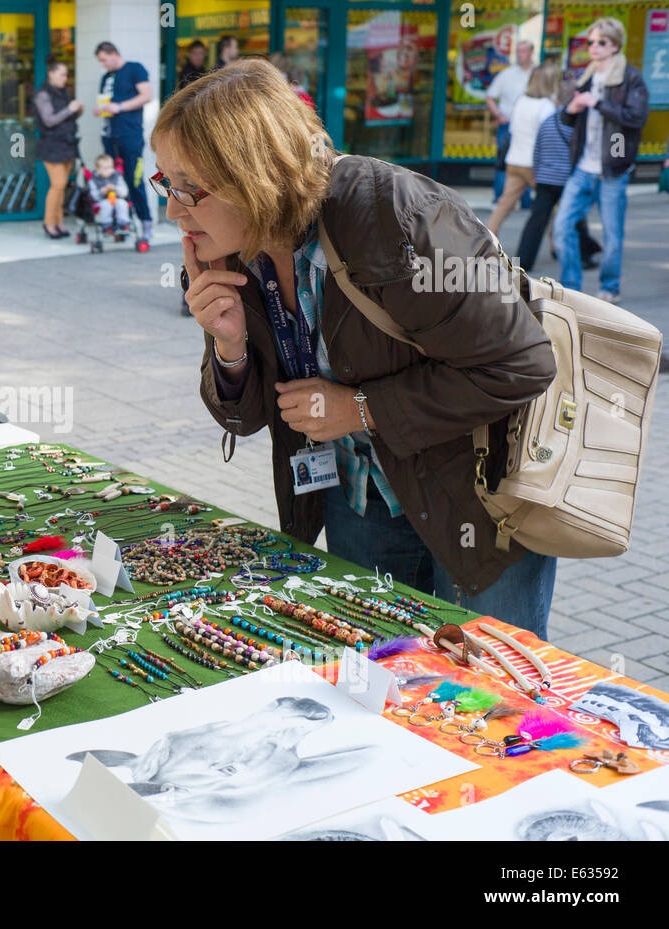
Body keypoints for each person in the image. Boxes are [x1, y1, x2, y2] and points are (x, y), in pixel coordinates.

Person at [154, 58, 559, 636]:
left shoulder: (395, 213)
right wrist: (230, 348)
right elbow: (244, 418)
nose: (173, 209)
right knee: (377, 684)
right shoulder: (226, 244)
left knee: (490, 705)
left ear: (256, 174)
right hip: (357, 496)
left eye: (189, 189)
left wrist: (359, 409)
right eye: (166, 183)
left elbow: (521, 363)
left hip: (475, 499)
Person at [554, 17, 648, 303]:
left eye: (600, 42)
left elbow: (635, 117)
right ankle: (571, 287)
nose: (594, 47)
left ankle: (609, 287)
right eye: (590, 42)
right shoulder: (585, 77)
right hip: (583, 167)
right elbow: (567, 118)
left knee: (612, 235)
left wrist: (597, 103)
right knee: (561, 228)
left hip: (612, 168)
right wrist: (570, 109)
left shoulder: (630, 77)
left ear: (615, 46)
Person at [515, 79, 601, 273]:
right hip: (566, 179)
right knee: (576, 219)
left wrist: (538, 173)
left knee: (536, 222)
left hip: (545, 178)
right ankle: (585, 256)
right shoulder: (576, 125)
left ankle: (523, 261)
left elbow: (537, 151)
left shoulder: (548, 121)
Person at [485, 62, 559, 236]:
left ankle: (488, 237)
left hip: (514, 160)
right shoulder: (546, 106)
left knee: (504, 204)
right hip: (534, 164)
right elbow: (548, 137)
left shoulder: (521, 101)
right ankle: (556, 244)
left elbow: (511, 130)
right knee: (551, 205)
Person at [95, 41, 154, 243]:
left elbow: (147, 95)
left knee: (134, 180)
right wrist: (102, 110)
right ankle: (121, 224)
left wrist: (119, 107)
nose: (103, 64)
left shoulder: (134, 69)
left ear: (113, 54)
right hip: (109, 136)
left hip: (130, 137)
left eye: (103, 59)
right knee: (111, 181)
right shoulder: (106, 77)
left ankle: (146, 222)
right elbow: (106, 103)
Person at [33, 58, 83, 239]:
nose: (65, 78)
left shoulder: (63, 93)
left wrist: (77, 110)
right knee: (58, 184)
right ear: (51, 74)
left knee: (62, 186)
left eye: (66, 75)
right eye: (62, 74)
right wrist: (70, 109)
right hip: (51, 145)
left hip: (67, 144)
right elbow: (49, 120)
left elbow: (66, 118)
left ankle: (58, 222)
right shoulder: (43, 95)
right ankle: (49, 223)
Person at [486, 39, 536, 207]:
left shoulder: (537, 74)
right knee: (503, 160)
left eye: (524, 51)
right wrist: (499, 115)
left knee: (527, 160)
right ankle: (499, 198)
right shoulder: (507, 74)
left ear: (531, 53)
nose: (520, 55)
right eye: (518, 51)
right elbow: (490, 97)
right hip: (507, 124)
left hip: (530, 125)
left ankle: (526, 200)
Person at [87, 154, 131, 232]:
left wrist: (115, 188)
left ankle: (123, 223)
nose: (109, 170)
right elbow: (93, 195)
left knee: (122, 203)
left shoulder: (117, 176)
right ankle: (106, 225)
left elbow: (125, 192)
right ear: (98, 170)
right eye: (106, 168)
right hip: (102, 201)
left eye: (111, 167)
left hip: (117, 199)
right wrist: (102, 191)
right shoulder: (93, 180)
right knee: (106, 205)